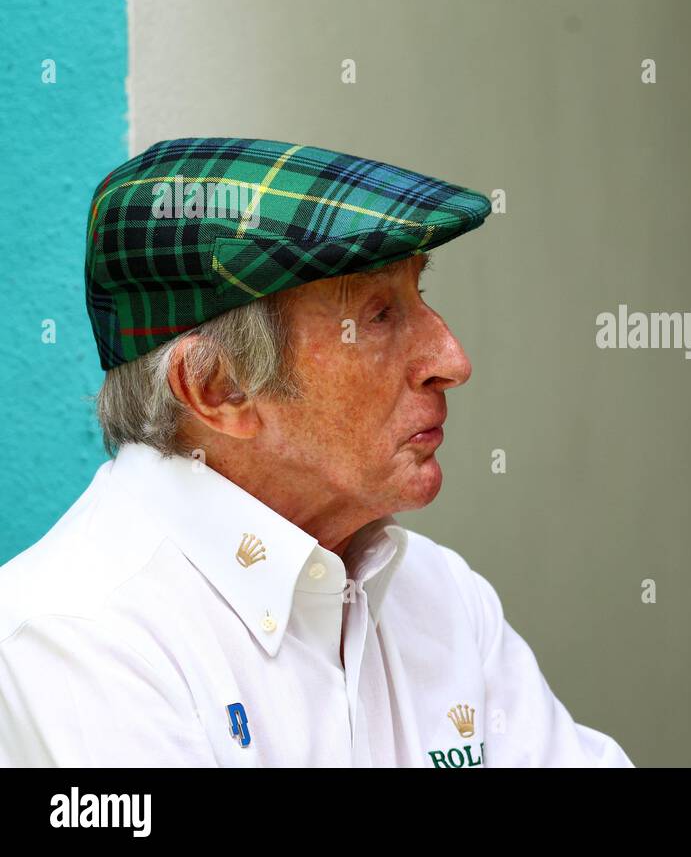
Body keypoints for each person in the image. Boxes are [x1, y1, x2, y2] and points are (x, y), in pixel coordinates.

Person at [0, 137, 632, 767]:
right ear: (217, 388)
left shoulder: (439, 593)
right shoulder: (74, 639)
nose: (451, 361)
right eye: (378, 314)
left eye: (419, 294)